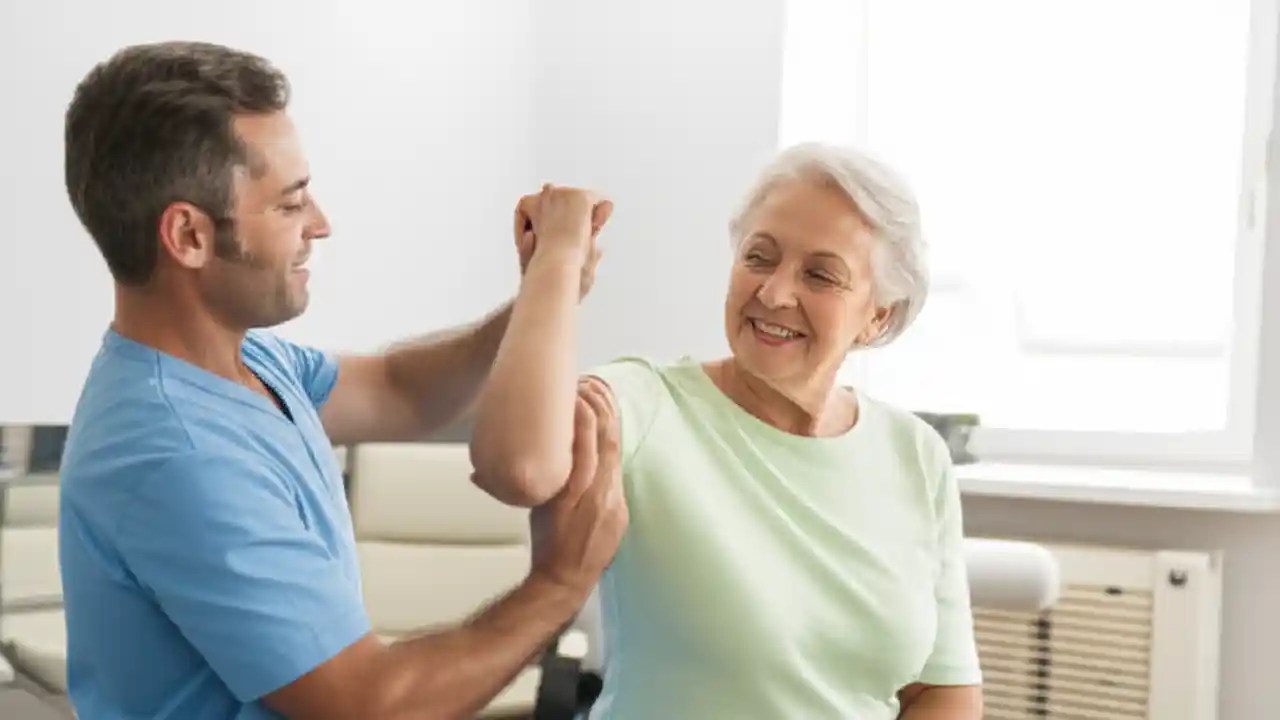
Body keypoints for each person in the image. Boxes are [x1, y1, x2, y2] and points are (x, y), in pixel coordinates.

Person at [57, 41, 625, 719]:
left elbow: (398, 389)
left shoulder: (242, 363)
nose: (320, 224)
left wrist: (539, 296)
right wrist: (560, 585)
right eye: (290, 204)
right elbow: (366, 707)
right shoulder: (175, 452)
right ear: (189, 236)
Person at [472, 143, 985, 718]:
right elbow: (515, 467)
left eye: (819, 274)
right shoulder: (648, 405)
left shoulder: (915, 454)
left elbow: (942, 688)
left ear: (877, 317)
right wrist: (557, 265)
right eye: (759, 258)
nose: (774, 293)